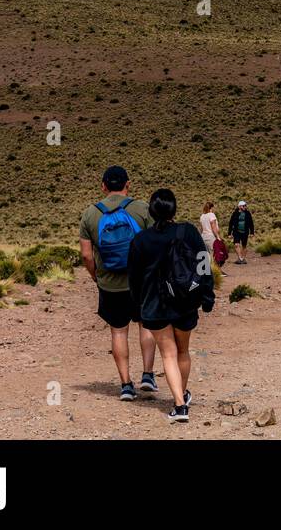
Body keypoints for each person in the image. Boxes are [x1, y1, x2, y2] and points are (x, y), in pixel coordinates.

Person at [127, 188, 215, 424]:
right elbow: (203, 263)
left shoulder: (141, 240)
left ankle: (179, 405)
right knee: (183, 351)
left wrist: (136, 308)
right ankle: (182, 396)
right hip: (185, 301)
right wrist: (207, 295)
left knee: (168, 354)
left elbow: (133, 278)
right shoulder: (187, 232)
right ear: (174, 209)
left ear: (151, 211)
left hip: (155, 305)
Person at [78, 165, 157, 401]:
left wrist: (96, 276)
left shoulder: (90, 214)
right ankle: (148, 375)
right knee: (146, 325)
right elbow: (155, 243)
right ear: (128, 184)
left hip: (110, 284)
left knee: (119, 332)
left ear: (103, 186)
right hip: (141, 281)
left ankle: (125, 385)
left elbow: (86, 255)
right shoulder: (142, 209)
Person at [228, 200, 254, 265]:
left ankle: (243, 259)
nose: (245, 207)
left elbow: (251, 223)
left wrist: (252, 232)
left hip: (245, 232)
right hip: (236, 231)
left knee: (244, 246)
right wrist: (229, 233)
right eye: (243, 206)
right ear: (239, 206)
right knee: (236, 244)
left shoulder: (248, 213)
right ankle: (240, 258)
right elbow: (231, 223)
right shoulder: (235, 213)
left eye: (245, 205)